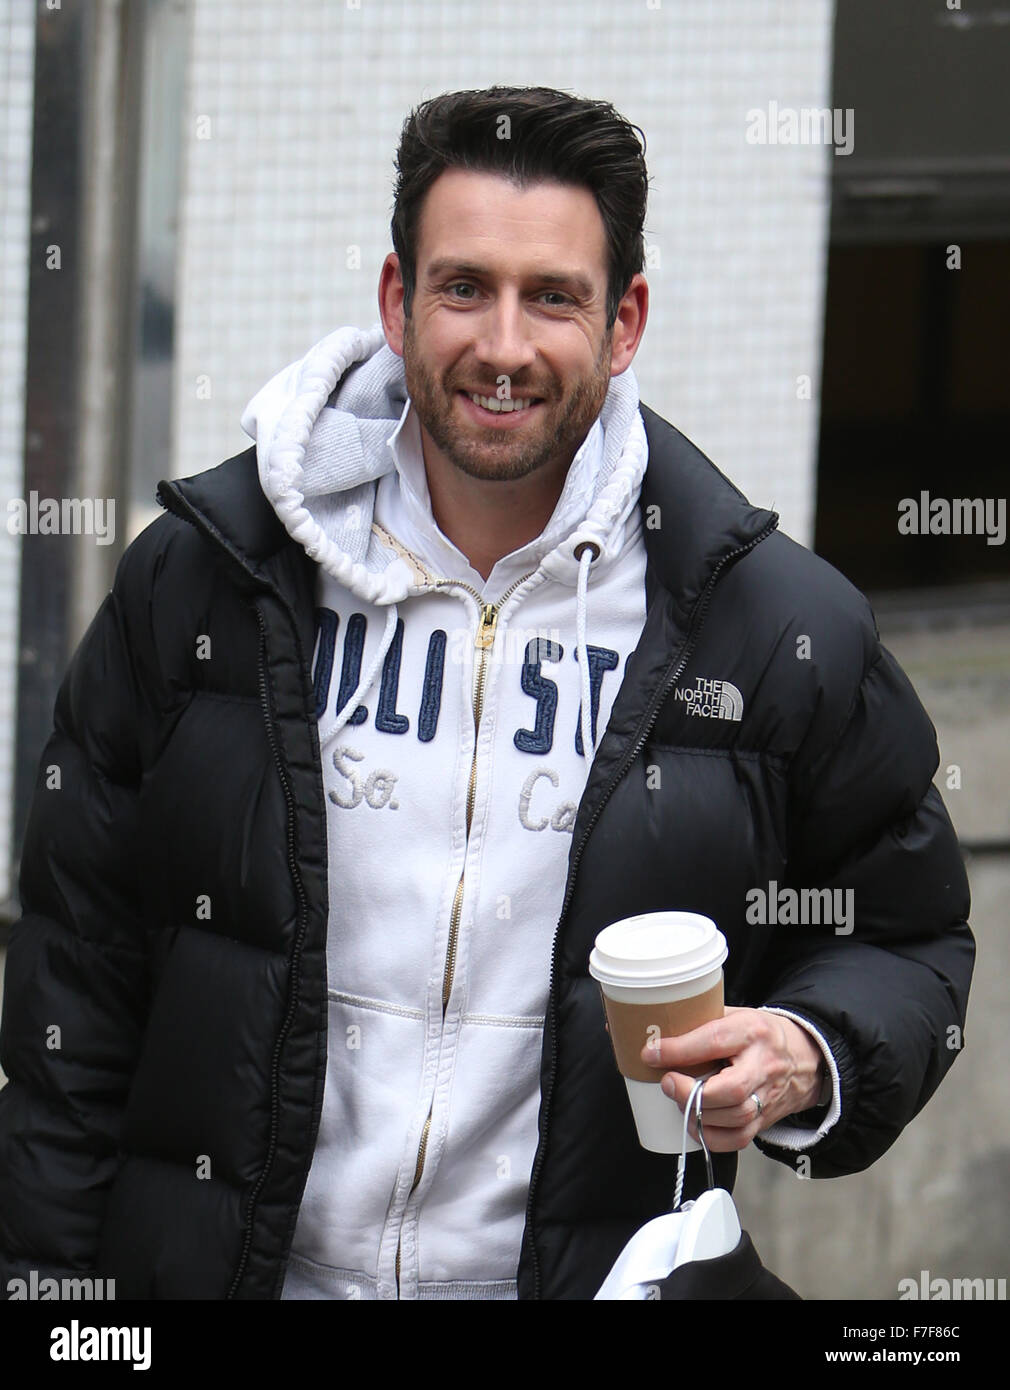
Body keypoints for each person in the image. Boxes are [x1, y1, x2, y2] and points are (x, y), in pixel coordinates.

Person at [0, 86, 973, 1302]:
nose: (501, 348)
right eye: (463, 287)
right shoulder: (206, 579)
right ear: (397, 300)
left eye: (551, 297)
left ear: (623, 324)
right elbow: (74, 982)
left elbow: (904, 930)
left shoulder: (769, 626)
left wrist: (807, 1048)